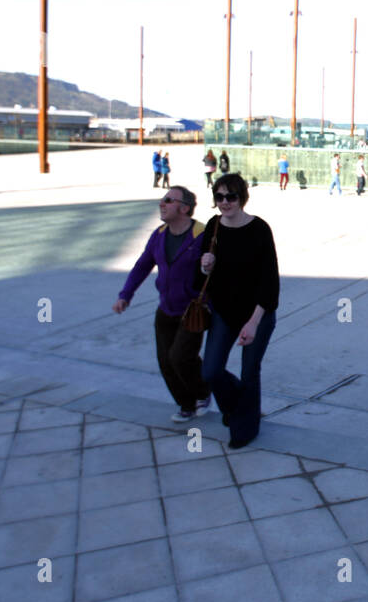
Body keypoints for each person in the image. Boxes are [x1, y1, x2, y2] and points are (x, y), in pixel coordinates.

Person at [113, 186, 212, 423]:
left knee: (180, 356)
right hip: (165, 309)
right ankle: (185, 404)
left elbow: (218, 272)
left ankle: (203, 392)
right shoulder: (159, 234)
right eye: (162, 199)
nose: (162, 204)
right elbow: (143, 265)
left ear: (184, 208)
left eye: (168, 200)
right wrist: (125, 294)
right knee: (166, 361)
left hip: (193, 311)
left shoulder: (201, 235)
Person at [197, 173, 279, 449]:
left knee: (249, 371)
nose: (224, 202)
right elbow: (201, 280)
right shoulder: (213, 226)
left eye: (230, 196)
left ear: (241, 197)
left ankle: (244, 429)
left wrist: (254, 323)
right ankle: (237, 407)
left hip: (258, 313)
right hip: (223, 311)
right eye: (219, 197)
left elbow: (270, 282)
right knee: (210, 370)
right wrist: (204, 266)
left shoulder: (259, 229)